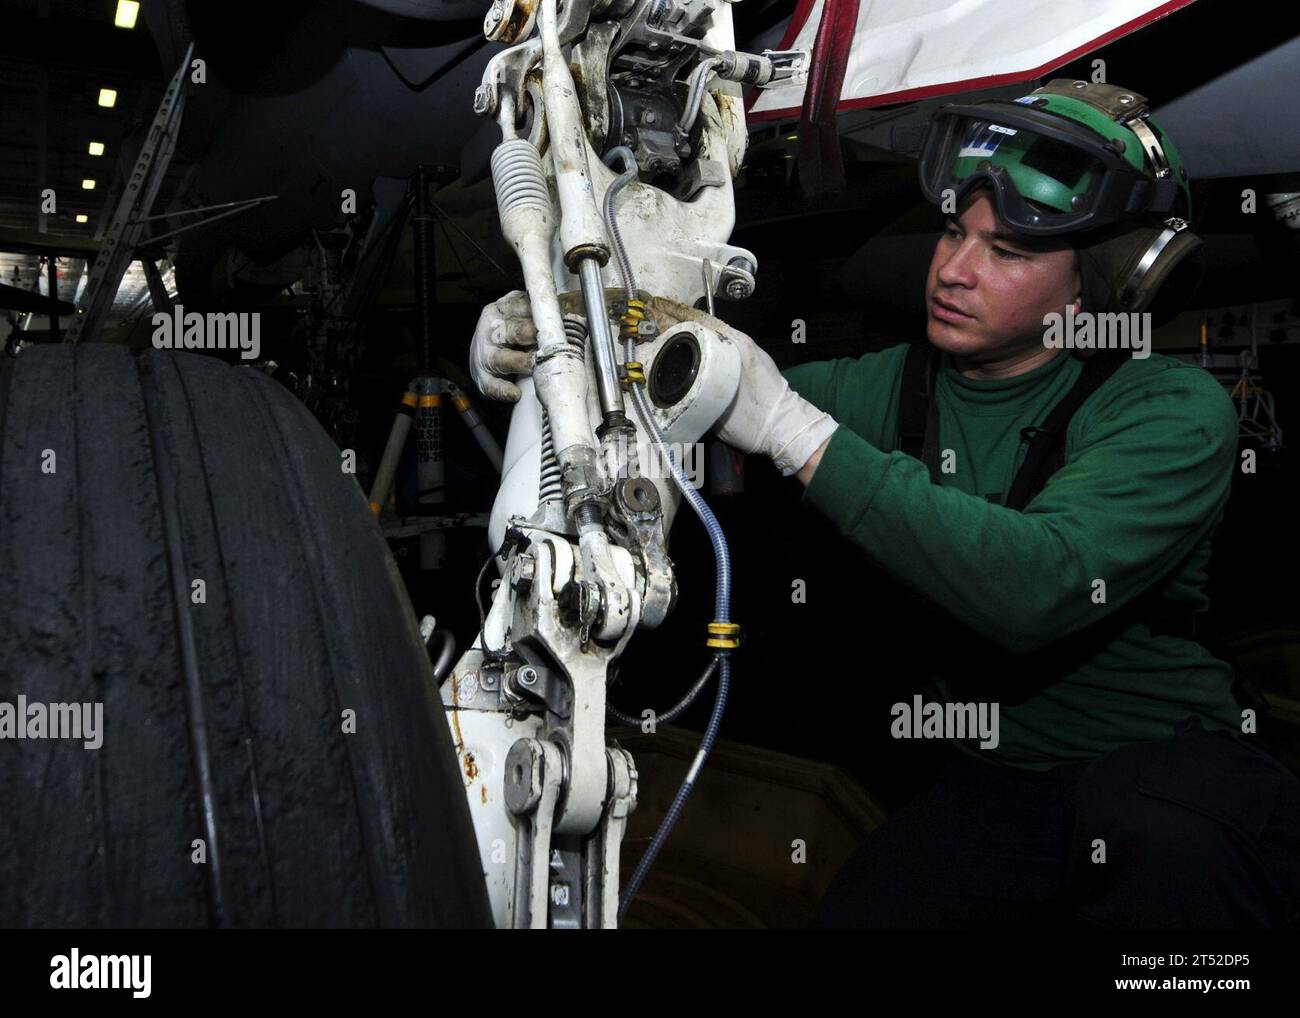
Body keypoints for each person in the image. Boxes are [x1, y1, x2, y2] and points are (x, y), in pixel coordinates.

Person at [469, 78, 1300, 928]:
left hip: (1163, 770)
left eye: (1007, 253)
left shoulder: (1165, 408)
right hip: (1001, 782)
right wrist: (556, 341)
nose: (956, 270)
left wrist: (797, 433)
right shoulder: (893, 388)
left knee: (1164, 850)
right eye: (952, 232)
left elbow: (1039, 585)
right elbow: (678, 392)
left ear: (1091, 289)